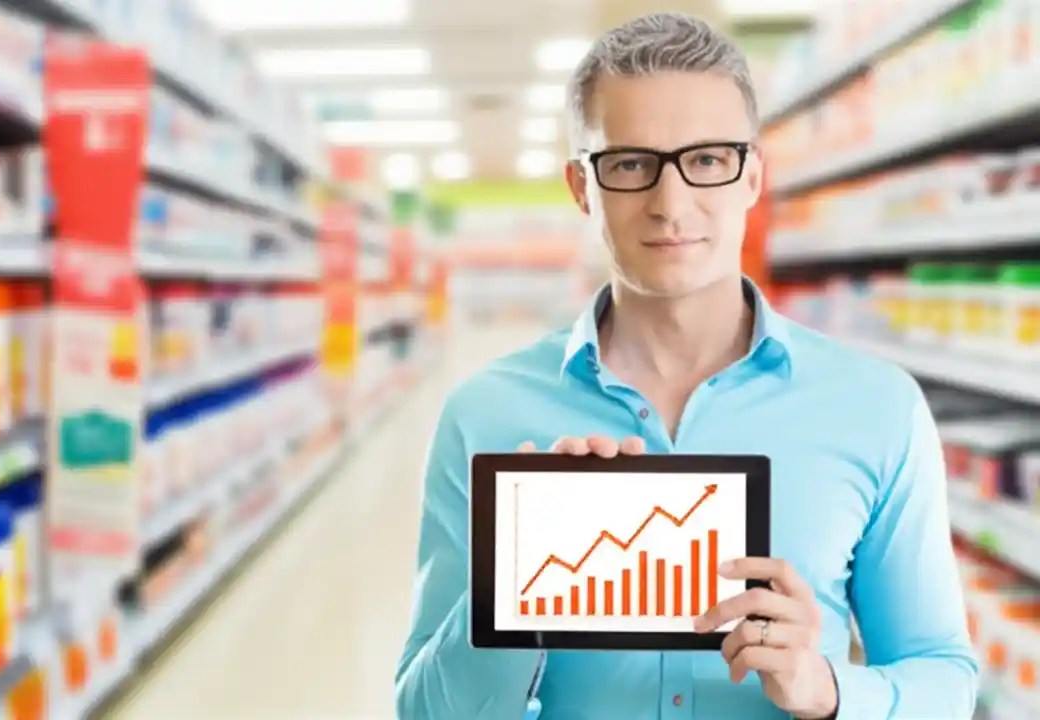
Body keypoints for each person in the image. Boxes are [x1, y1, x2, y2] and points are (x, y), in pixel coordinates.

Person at [395, 12, 979, 720]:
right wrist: (516, 578)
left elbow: (944, 680)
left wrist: (826, 688)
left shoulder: (877, 408)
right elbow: (426, 711)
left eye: (706, 160)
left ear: (752, 176)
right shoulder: (483, 415)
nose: (671, 206)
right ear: (583, 187)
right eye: (631, 164)